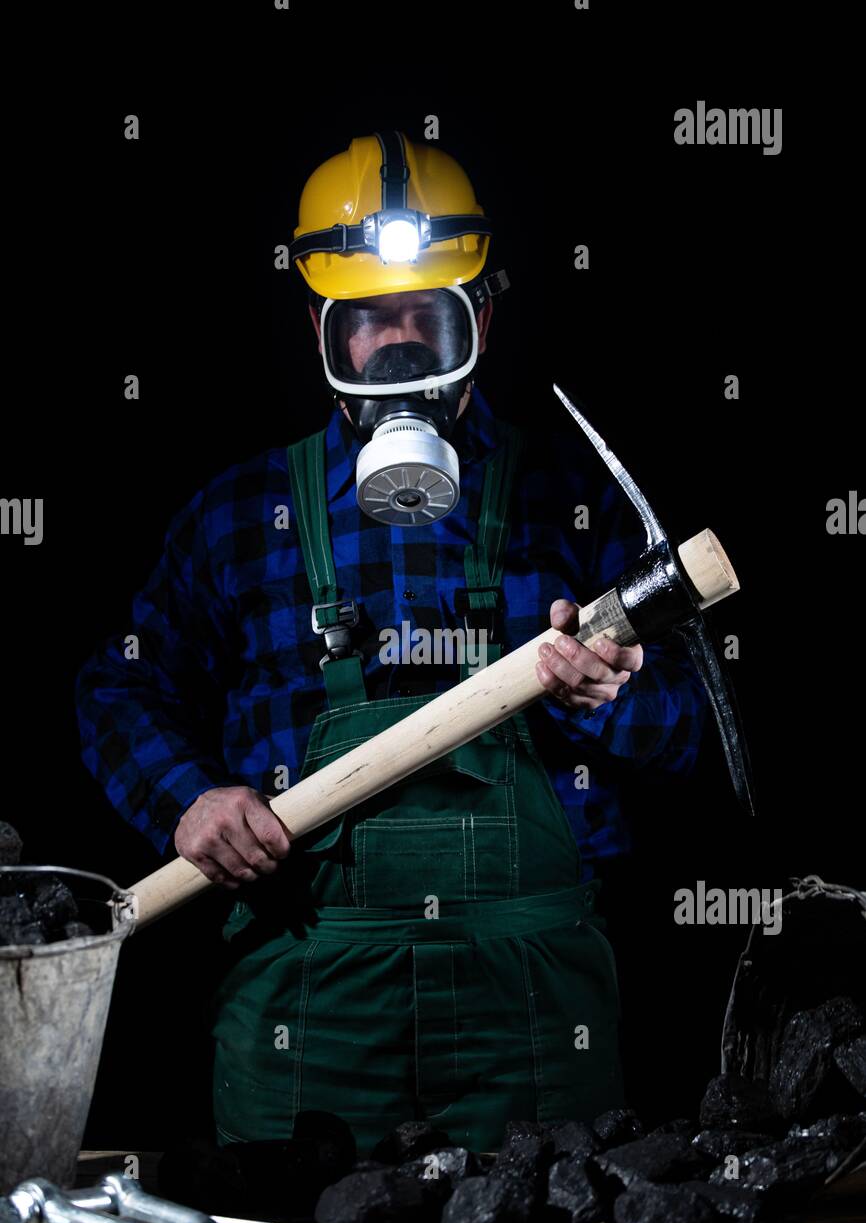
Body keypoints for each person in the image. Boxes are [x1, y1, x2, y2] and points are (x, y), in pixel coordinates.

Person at [76, 131, 707, 1155]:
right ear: (324, 329)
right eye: (368, 321)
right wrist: (187, 798)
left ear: (480, 320)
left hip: (535, 1012)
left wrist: (620, 693)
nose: (399, 346)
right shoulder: (242, 515)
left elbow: (695, 737)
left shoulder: (572, 501)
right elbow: (115, 688)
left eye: (427, 314)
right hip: (310, 1003)